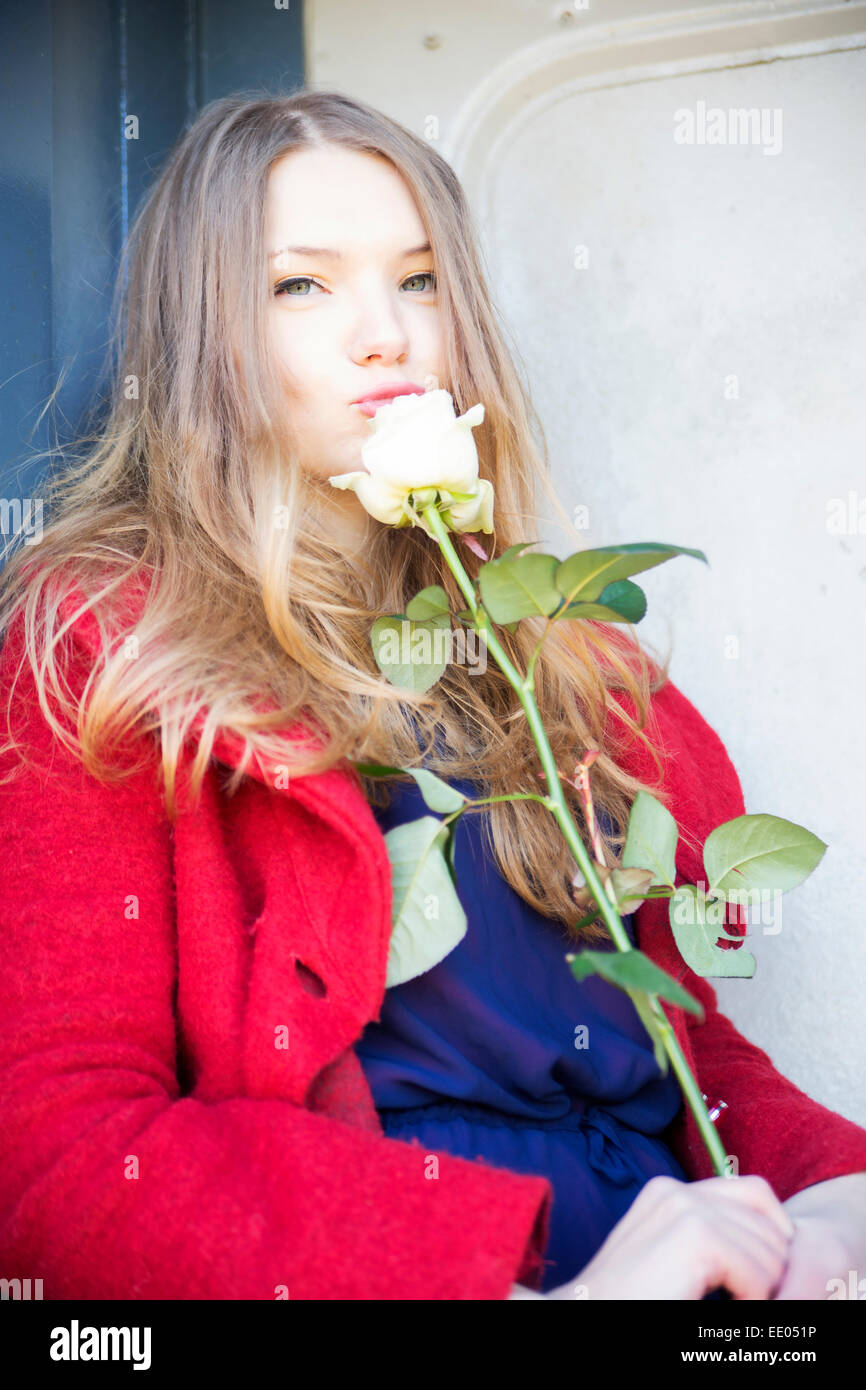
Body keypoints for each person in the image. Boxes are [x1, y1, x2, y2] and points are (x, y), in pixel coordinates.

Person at [0, 89, 864, 1303]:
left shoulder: (559, 654)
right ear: (203, 338)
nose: (384, 335)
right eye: (300, 285)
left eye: (418, 280)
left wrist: (828, 1198)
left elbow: (675, 1053)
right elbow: (65, 1152)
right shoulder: (108, 648)